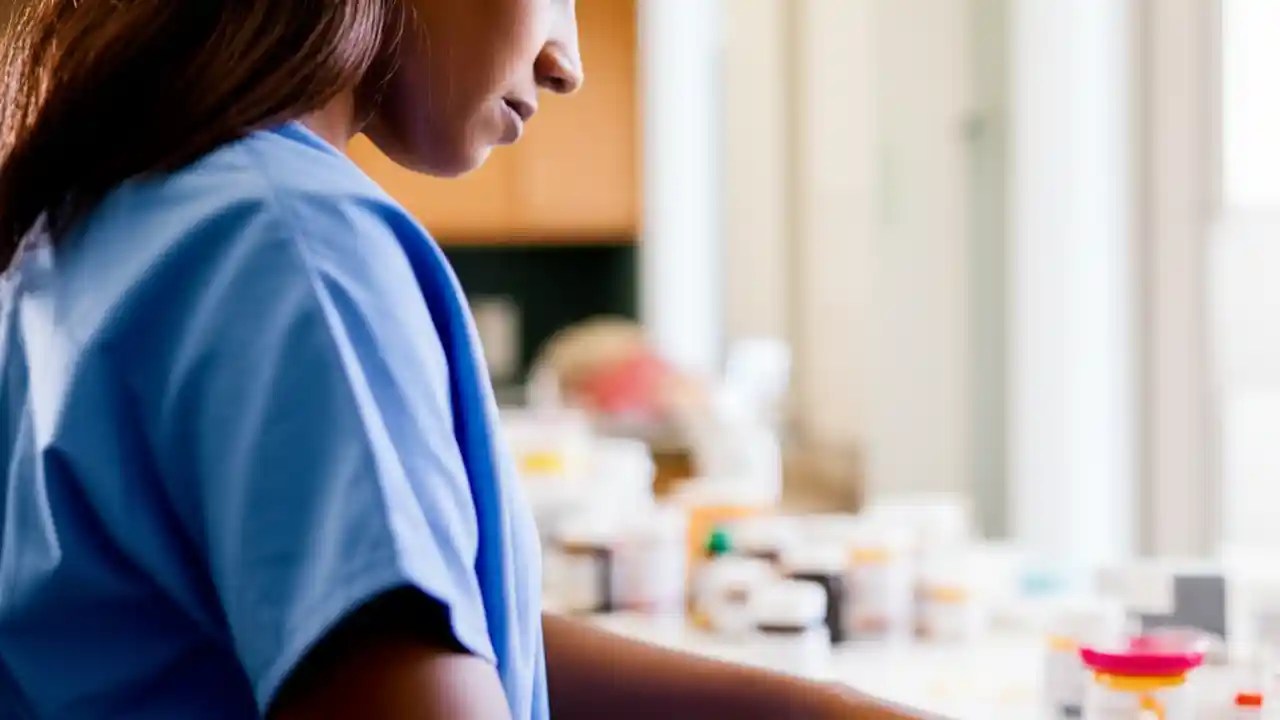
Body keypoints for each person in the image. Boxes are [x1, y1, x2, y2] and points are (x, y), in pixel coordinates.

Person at [0, 2, 927, 719]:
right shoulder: (295, 249)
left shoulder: (110, 212)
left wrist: (815, 707)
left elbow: (399, 636)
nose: (567, 63)